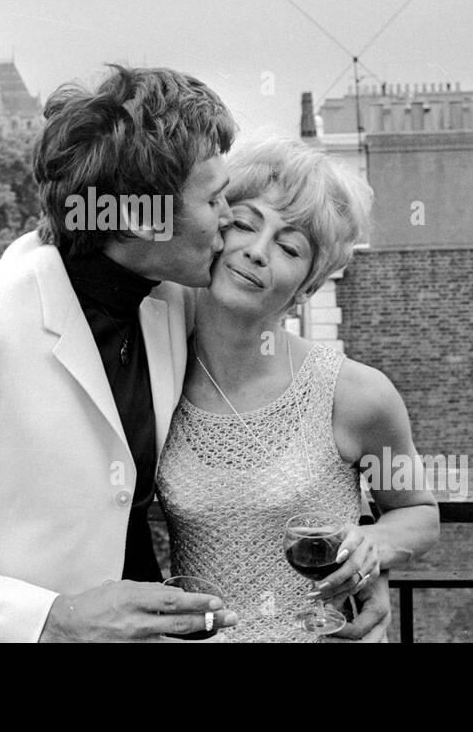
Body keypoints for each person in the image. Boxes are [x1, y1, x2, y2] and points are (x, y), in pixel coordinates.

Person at [0, 66, 392, 642]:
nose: (229, 220)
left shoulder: (171, 302)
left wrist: (359, 565)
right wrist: (56, 618)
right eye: (214, 200)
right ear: (138, 217)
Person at [157, 136, 440, 642]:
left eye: (289, 247)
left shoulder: (354, 393)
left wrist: (373, 548)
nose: (257, 252)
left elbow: (419, 513)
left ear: (308, 285)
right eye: (244, 224)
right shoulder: (156, 369)